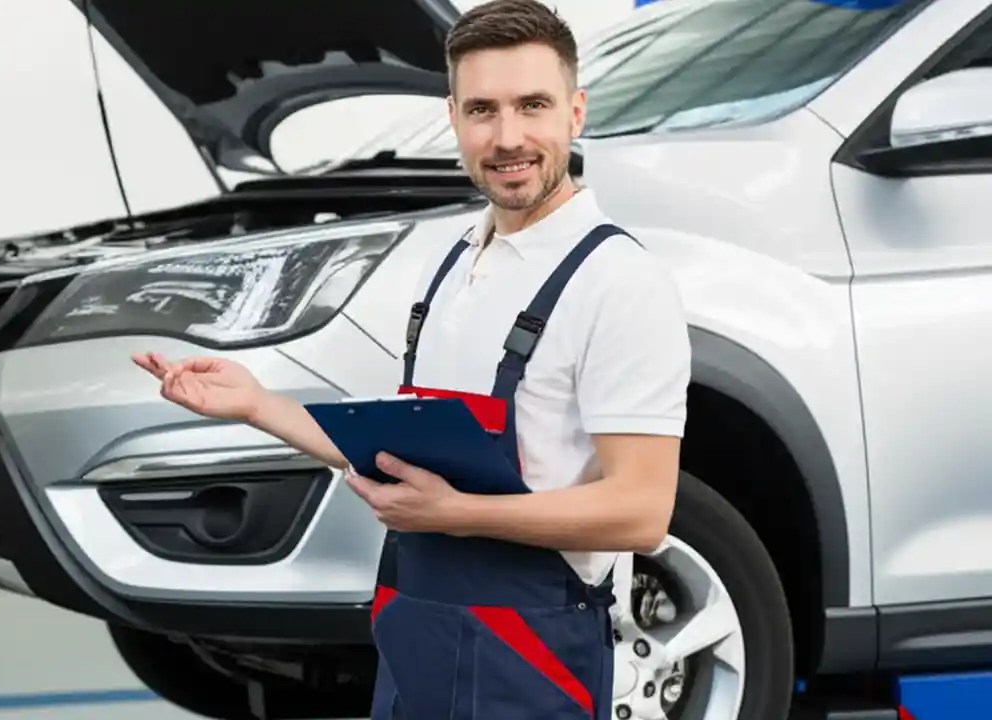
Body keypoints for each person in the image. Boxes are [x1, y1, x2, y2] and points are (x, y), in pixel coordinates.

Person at [132, 1, 691, 717]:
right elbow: (397, 454)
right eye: (483, 109)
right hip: (417, 644)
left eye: (533, 106)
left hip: (532, 659)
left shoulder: (619, 282)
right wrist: (256, 403)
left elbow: (641, 510)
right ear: (454, 118)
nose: (508, 136)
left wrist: (457, 513)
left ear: (575, 113)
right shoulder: (454, 262)